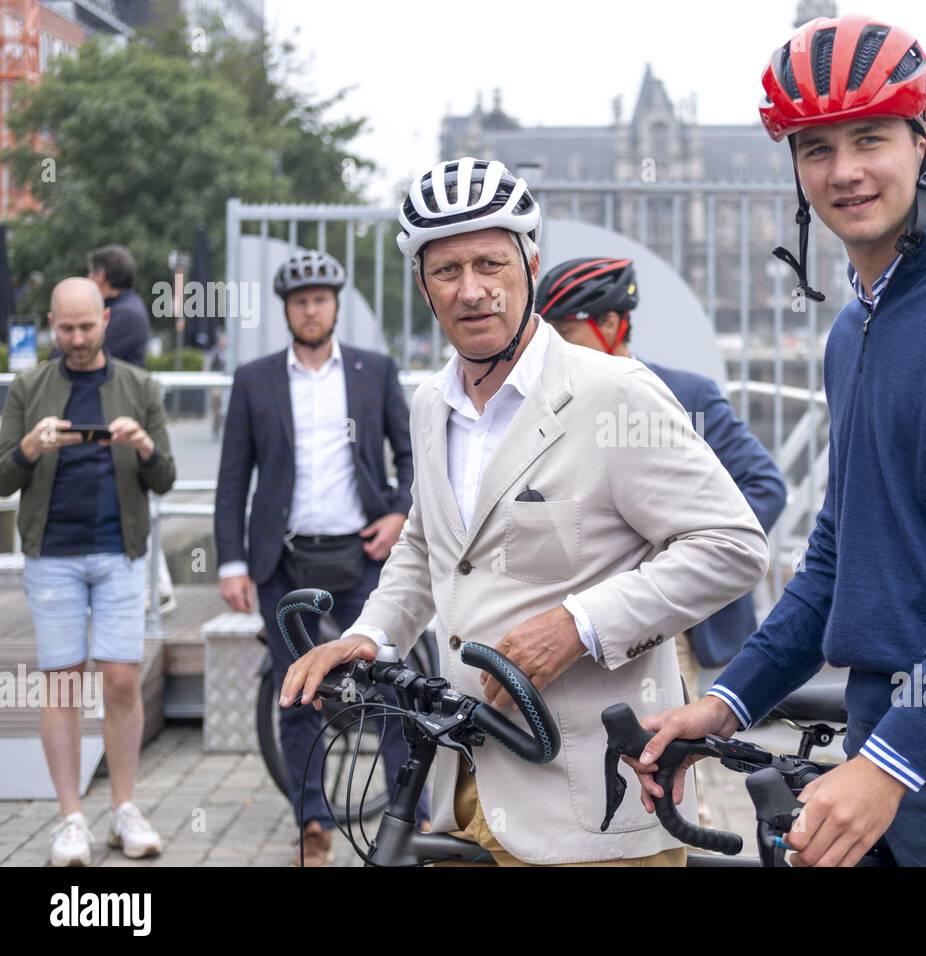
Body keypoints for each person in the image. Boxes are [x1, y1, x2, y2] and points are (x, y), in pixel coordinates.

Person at [630, 14, 926, 867]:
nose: (844, 171)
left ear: (923, 144)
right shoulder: (853, 330)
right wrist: (731, 699)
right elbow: (840, 560)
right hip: (885, 730)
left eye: (870, 139)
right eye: (816, 148)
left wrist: (890, 763)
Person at [279, 157, 769, 866]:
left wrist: (580, 625)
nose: (472, 290)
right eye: (446, 271)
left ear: (529, 265)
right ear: (422, 285)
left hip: (593, 802)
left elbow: (732, 546)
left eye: (490, 263)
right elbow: (427, 548)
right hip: (463, 787)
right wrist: (370, 634)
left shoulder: (611, 392)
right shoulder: (430, 403)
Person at [213, 249, 431, 865]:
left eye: (321, 298)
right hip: (283, 564)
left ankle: (405, 824)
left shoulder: (373, 371)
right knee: (299, 697)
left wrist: (399, 513)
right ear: (287, 309)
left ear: (335, 304)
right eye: (300, 300)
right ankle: (312, 823)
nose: (311, 308)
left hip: (364, 558)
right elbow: (234, 479)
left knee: (392, 694)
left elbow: (413, 455)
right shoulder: (255, 379)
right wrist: (231, 562)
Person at [536, 256, 786, 698]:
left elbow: (765, 486)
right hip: (569, 615)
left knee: (660, 752)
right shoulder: (547, 402)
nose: (554, 348)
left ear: (610, 324)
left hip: (663, 626)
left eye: (566, 332)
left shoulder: (687, 395)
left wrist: (682, 554)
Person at [0, 276, 176, 866]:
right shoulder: (28, 387)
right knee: (63, 683)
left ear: (104, 319)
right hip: (52, 553)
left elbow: (167, 478)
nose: (76, 338)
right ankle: (70, 816)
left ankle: (124, 808)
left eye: (86, 326)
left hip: (119, 550)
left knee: (122, 677)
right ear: (52, 323)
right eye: (65, 328)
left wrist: (143, 444)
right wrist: (28, 449)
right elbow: (3, 477)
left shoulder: (139, 385)